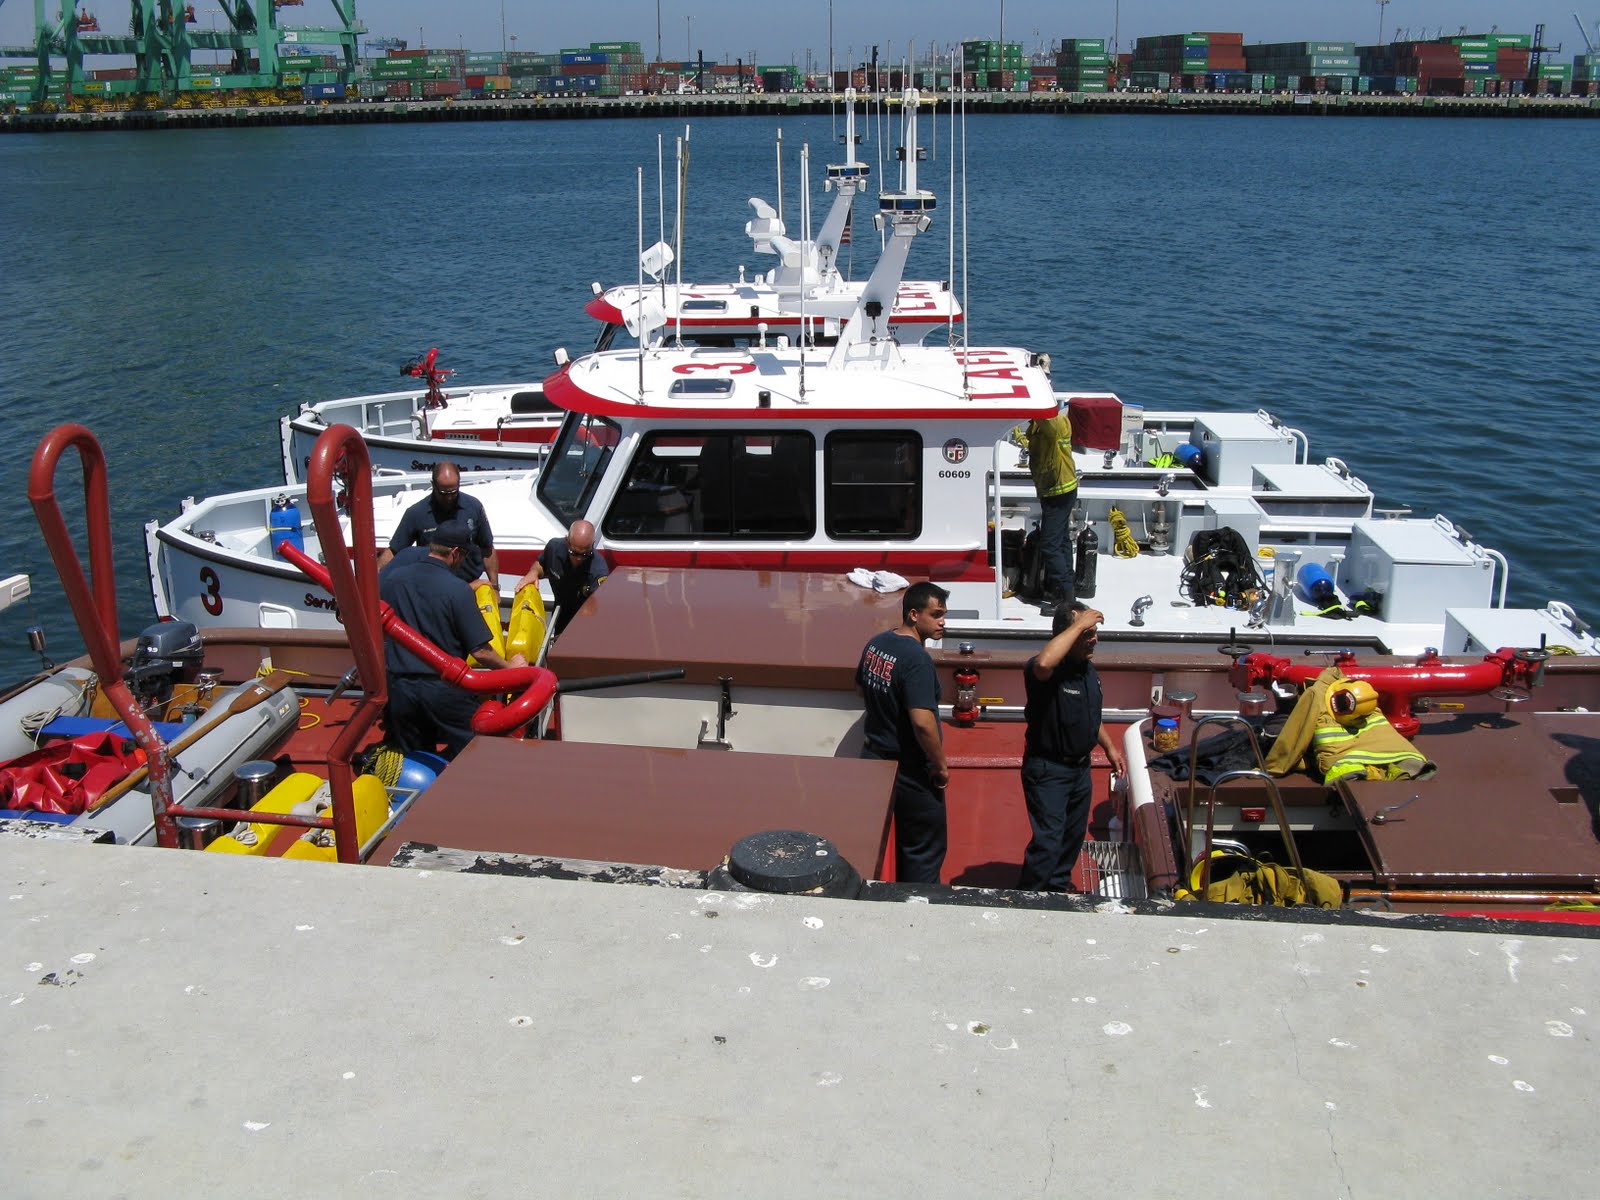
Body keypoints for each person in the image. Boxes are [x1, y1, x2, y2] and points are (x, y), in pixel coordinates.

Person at [379, 520, 525, 759]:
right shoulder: (457, 590)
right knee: (480, 751)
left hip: (399, 688)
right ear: (456, 553)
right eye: (465, 556)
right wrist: (512, 669)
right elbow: (481, 652)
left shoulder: (394, 580)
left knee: (415, 758)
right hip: (443, 688)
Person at [1017, 602, 1126, 893]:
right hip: (1048, 770)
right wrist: (1079, 624)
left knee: (1072, 837)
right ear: (1068, 634)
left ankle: (1057, 887)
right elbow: (1043, 664)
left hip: (1080, 769)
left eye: (1095, 632)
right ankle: (1030, 895)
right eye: (1087, 633)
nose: (1094, 639)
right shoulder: (1046, 672)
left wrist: (1110, 747)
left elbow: (1090, 716)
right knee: (1048, 840)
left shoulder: (1087, 672)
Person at [855, 581, 951, 885]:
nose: (942, 621)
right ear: (913, 614)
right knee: (923, 848)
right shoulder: (917, 661)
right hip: (909, 769)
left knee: (869, 844)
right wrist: (940, 765)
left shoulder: (876, 644)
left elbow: (860, 687)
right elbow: (923, 722)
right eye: (935, 614)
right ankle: (917, 910)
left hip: (872, 758)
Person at [377, 462, 499, 590]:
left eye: (453, 492)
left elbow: (487, 549)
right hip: (433, 586)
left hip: (471, 583)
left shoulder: (474, 507)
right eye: (443, 493)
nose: (449, 498)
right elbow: (395, 550)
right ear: (433, 485)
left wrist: (495, 587)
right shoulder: (416, 513)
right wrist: (375, 574)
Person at [514, 519, 609, 638]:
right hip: (561, 612)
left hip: (585, 621)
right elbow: (542, 564)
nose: (579, 558)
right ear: (567, 541)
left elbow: (600, 608)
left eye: (584, 554)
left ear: (592, 545)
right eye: (574, 552)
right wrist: (533, 572)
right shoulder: (554, 548)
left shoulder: (598, 571)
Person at [1025, 406, 1078, 611]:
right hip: (1054, 490)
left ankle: (1066, 598)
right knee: (1061, 540)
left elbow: (1044, 416)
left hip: (1059, 490)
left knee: (1050, 544)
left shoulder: (1056, 423)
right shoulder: (1041, 426)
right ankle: (1067, 590)